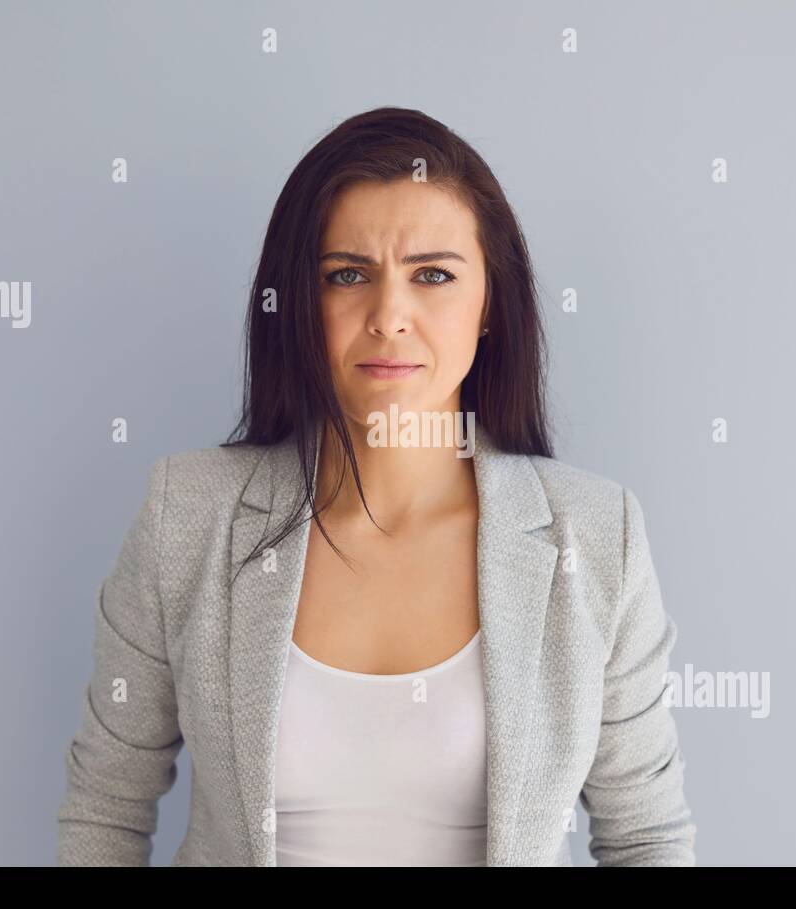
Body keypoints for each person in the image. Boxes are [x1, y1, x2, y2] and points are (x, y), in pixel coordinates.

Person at [57, 106, 696, 866]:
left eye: (433, 275)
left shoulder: (595, 538)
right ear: (298, 301)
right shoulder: (187, 515)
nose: (389, 316)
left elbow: (647, 839)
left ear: (491, 303)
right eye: (347, 275)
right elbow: (105, 809)